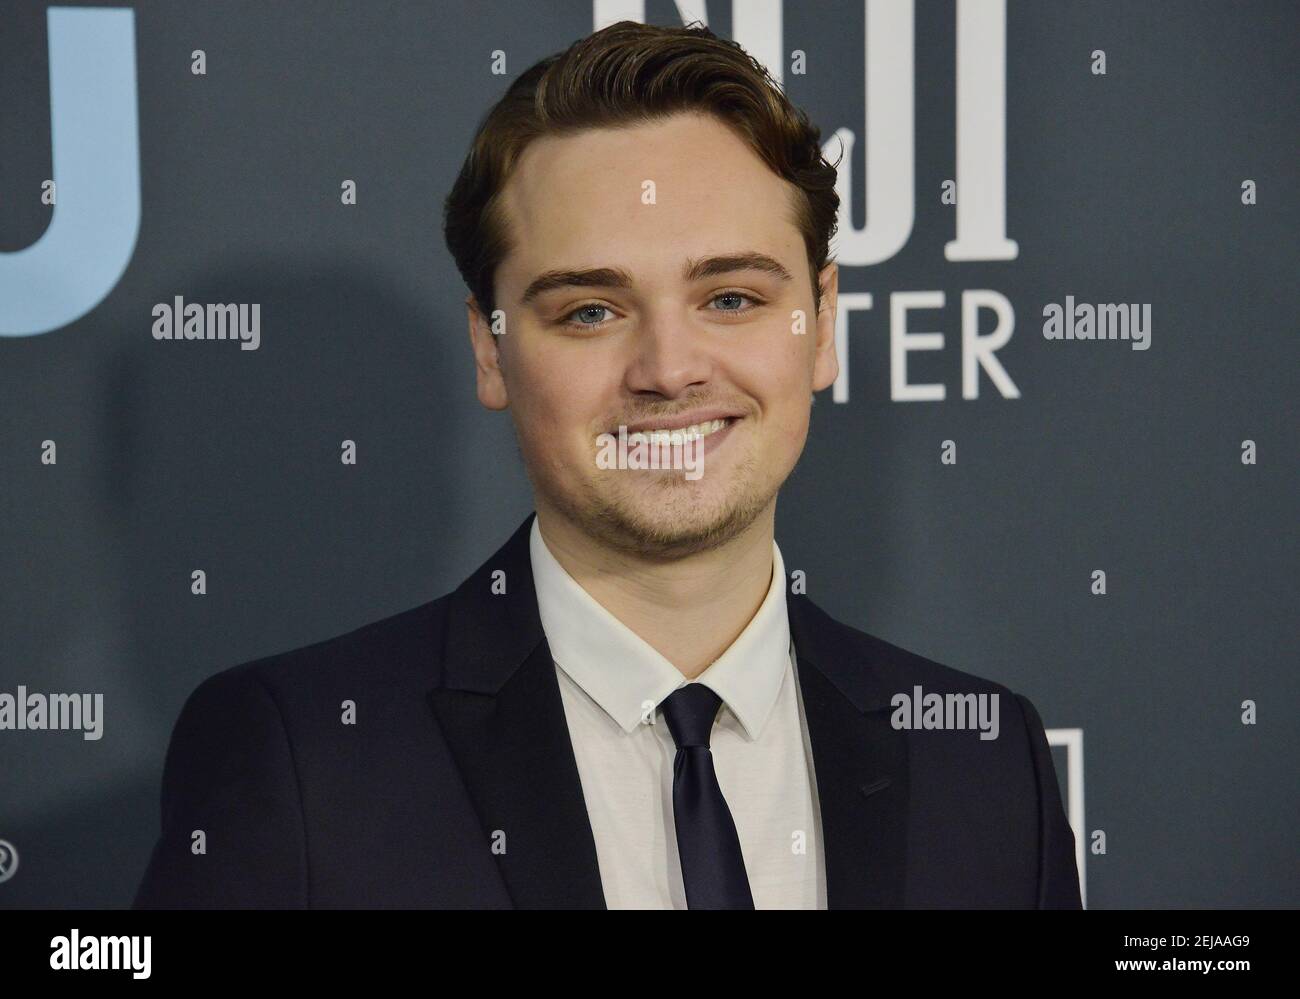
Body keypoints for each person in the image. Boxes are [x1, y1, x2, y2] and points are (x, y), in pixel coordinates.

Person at [134, 20, 1081, 909]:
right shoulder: (303, 760)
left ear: (822, 324)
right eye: (590, 310)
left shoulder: (986, 764)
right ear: (492, 349)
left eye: (733, 297)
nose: (668, 370)